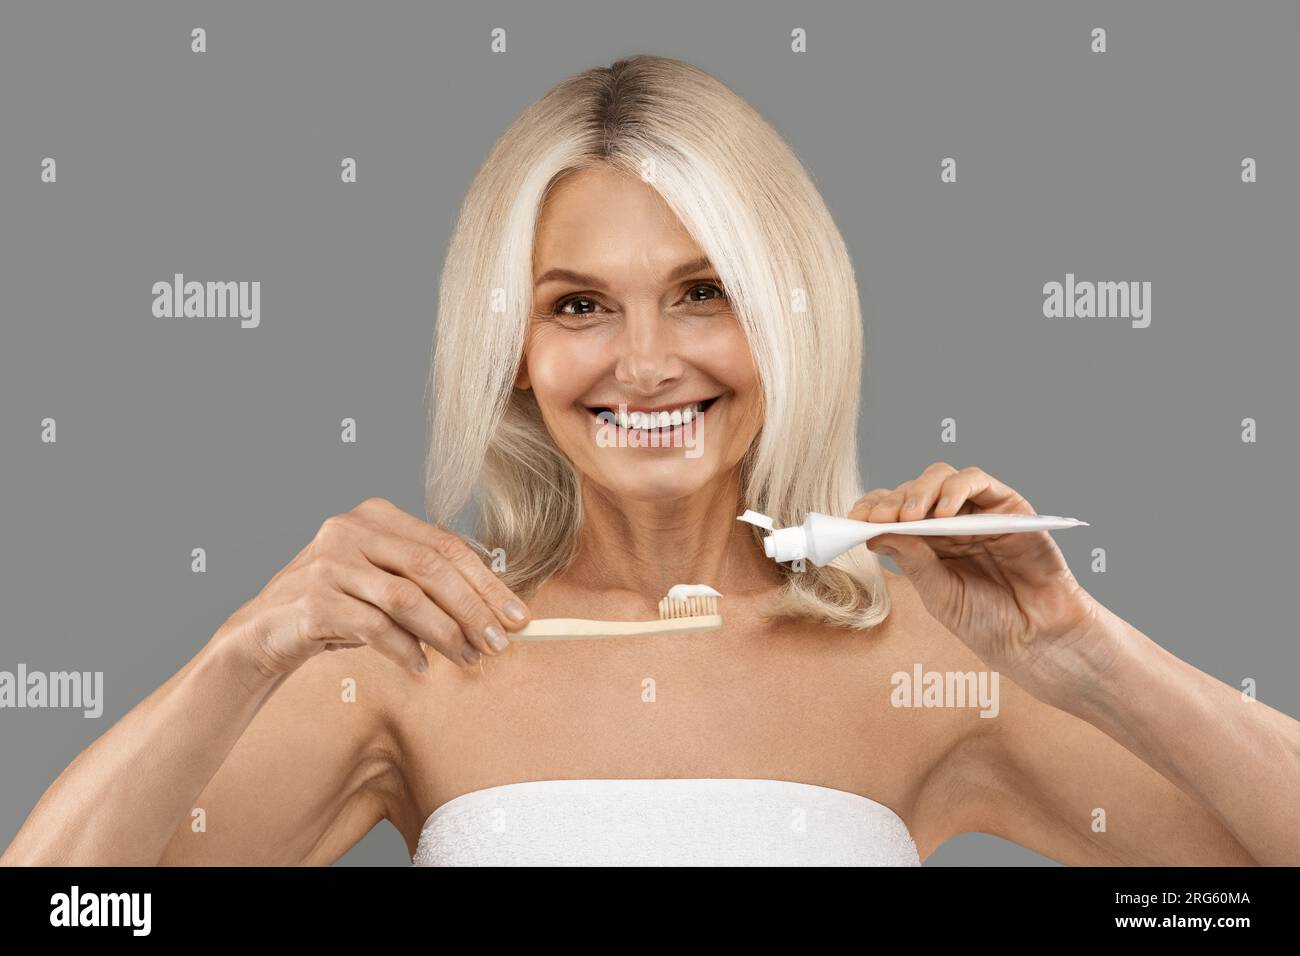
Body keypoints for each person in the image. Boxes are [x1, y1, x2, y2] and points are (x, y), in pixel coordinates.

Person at [4, 55, 1296, 867]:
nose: (643, 362)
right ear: (511, 348)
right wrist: (244, 652)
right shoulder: (411, 662)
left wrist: (1084, 657)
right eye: (577, 306)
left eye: (701, 293)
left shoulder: (934, 663)